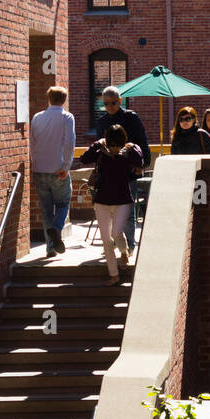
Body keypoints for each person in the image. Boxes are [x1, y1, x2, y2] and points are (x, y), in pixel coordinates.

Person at [80, 124, 143, 286]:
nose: (114, 148)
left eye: (118, 144)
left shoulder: (128, 152)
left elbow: (140, 161)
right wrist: (98, 144)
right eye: (112, 144)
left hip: (123, 200)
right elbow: (84, 158)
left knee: (116, 232)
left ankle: (123, 251)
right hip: (102, 201)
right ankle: (113, 274)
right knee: (106, 239)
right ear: (107, 141)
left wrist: (132, 146)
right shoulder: (101, 152)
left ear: (123, 142)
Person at [94, 86, 152, 251]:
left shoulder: (131, 117)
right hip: (108, 172)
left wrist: (142, 164)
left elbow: (142, 141)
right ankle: (119, 244)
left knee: (127, 209)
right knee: (110, 210)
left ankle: (130, 246)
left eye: (113, 103)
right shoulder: (102, 121)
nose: (110, 106)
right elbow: (98, 146)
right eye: (106, 104)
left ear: (120, 101)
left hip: (128, 170)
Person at [30, 85, 76, 257]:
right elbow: (69, 143)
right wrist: (66, 166)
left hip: (39, 169)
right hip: (58, 169)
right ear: (64, 100)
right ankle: (56, 229)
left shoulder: (37, 117)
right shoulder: (67, 117)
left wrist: (35, 164)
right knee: (63, 203)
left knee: (46, 209)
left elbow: (32, 143)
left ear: (49, 99)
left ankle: (50, 248)